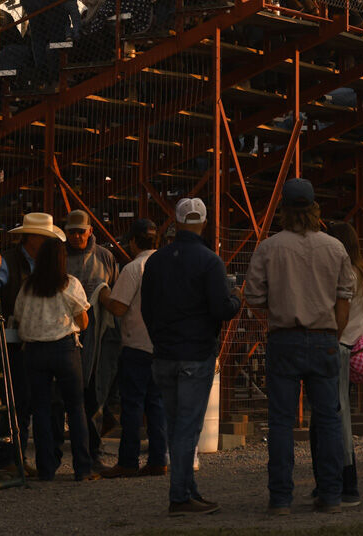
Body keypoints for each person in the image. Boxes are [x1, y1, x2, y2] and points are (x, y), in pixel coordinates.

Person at [244, 179, 352, 515]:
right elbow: (344, 299)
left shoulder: (269, 248)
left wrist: (279, 306)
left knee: (281, 421)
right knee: (329, 420)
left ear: (284, 210)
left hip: (284, 338)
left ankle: (280, 499)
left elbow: (253, 296)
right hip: (324, 338)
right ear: (315, 208)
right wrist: (333, 335)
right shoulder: (335, 248)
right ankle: (331, 495)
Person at [142, 197, 240, 516]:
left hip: (164, 355)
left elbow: (146, 309)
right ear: (204, 223)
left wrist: (159, 339)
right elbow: (220, 309)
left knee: (176, 426)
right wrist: (237, 300)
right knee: (188, 428)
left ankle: (188, 490)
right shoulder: (210, 262)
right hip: (196, 354)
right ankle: (180, 496)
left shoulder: (156, 261)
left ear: (177, 222)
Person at [13, 227, 96, 482]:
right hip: (64, 349)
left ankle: (46, 469)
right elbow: (83, 322)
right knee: (76, 408)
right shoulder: (70, 284)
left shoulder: (27, 286)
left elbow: (19, 317)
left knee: (40, 410)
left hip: (34, 352)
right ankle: (82, 468)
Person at [100, 221, 169, 478]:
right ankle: (158, 459)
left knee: (132, 405)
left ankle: (128, 461)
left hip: (137, 346)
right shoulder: (169, 265)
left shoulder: (133, 268)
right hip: (163, 347)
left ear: (132, 241)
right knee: (157, 405)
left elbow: (118, 308)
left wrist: (102, 293)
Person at [0, 212, 59, 470]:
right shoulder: (11, 262)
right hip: (16, 341)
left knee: (24, 400)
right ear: (31, 237)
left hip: (29, 339)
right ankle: (10, 459)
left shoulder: (14, 261)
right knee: (19, 400)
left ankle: (14, 458)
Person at [327, 220, 363, 505]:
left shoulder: (344, 274)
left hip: (342, 348)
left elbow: (339, 313)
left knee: (338, 419)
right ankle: (341, 483)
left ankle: (347, 484)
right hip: (359, 348)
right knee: (340, 415)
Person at [62, 212, 118, 458]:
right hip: (66, 330)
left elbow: (114, 294)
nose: (76, 236)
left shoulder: (105, 257)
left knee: (95, 387)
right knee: (68, 391)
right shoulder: (60, 256)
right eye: (71, 232)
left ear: (90, 231)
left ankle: (93, 448)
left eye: (80, 231)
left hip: (98, 333)